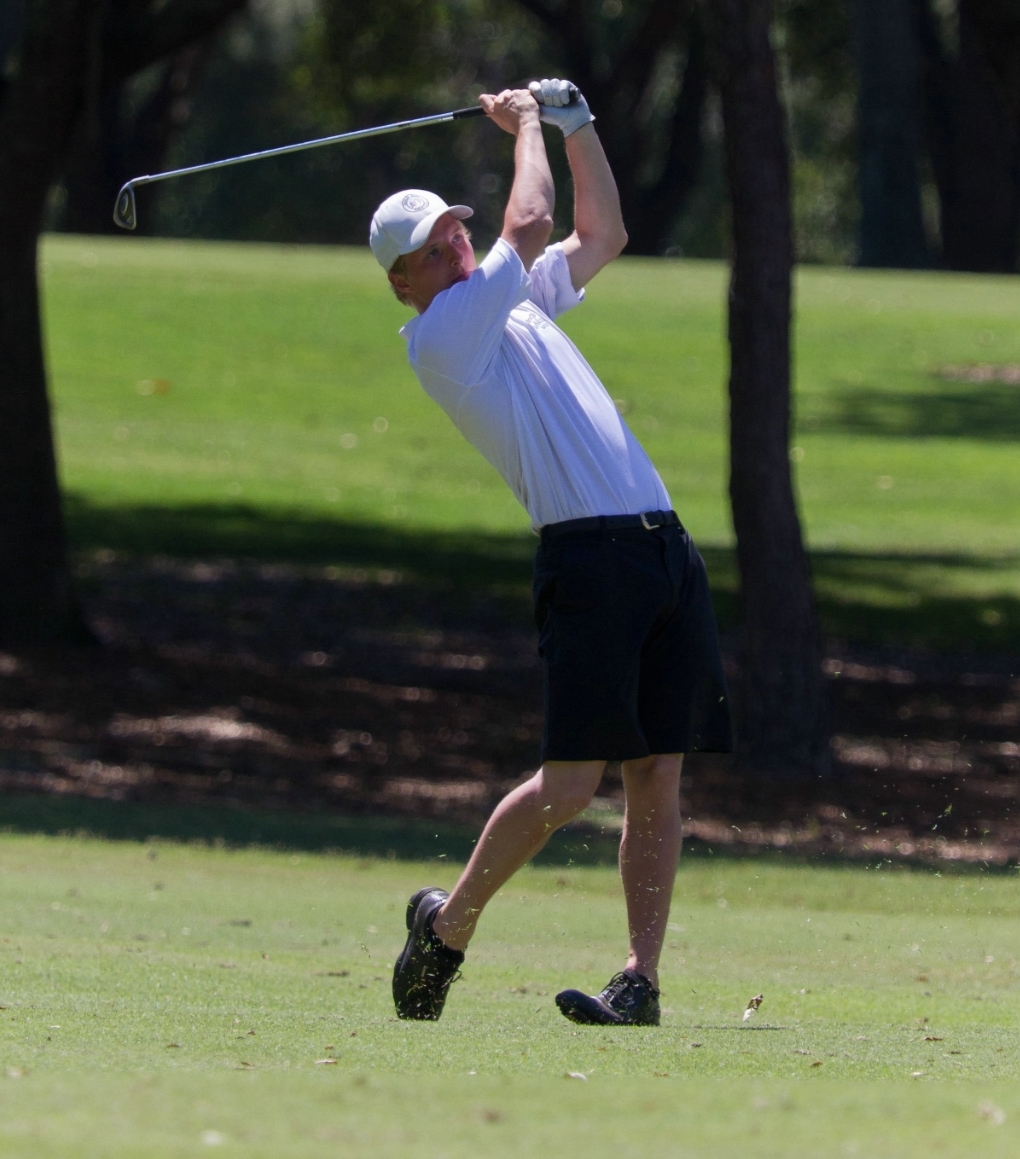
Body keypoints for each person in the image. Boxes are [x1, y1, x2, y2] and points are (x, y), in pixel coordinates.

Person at [370, 79, 733, 1027]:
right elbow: (527, 222)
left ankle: (639, 979)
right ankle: (447, 927)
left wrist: (578, 128)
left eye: (454, 227)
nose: (454, 241)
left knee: (659, 773)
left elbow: (601, 233)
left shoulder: (511, 304)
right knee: (572, 784)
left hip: (661, 550)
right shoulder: (445, 335)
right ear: (403, 282)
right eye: (430, 248)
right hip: (588, 563)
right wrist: (527, 123)